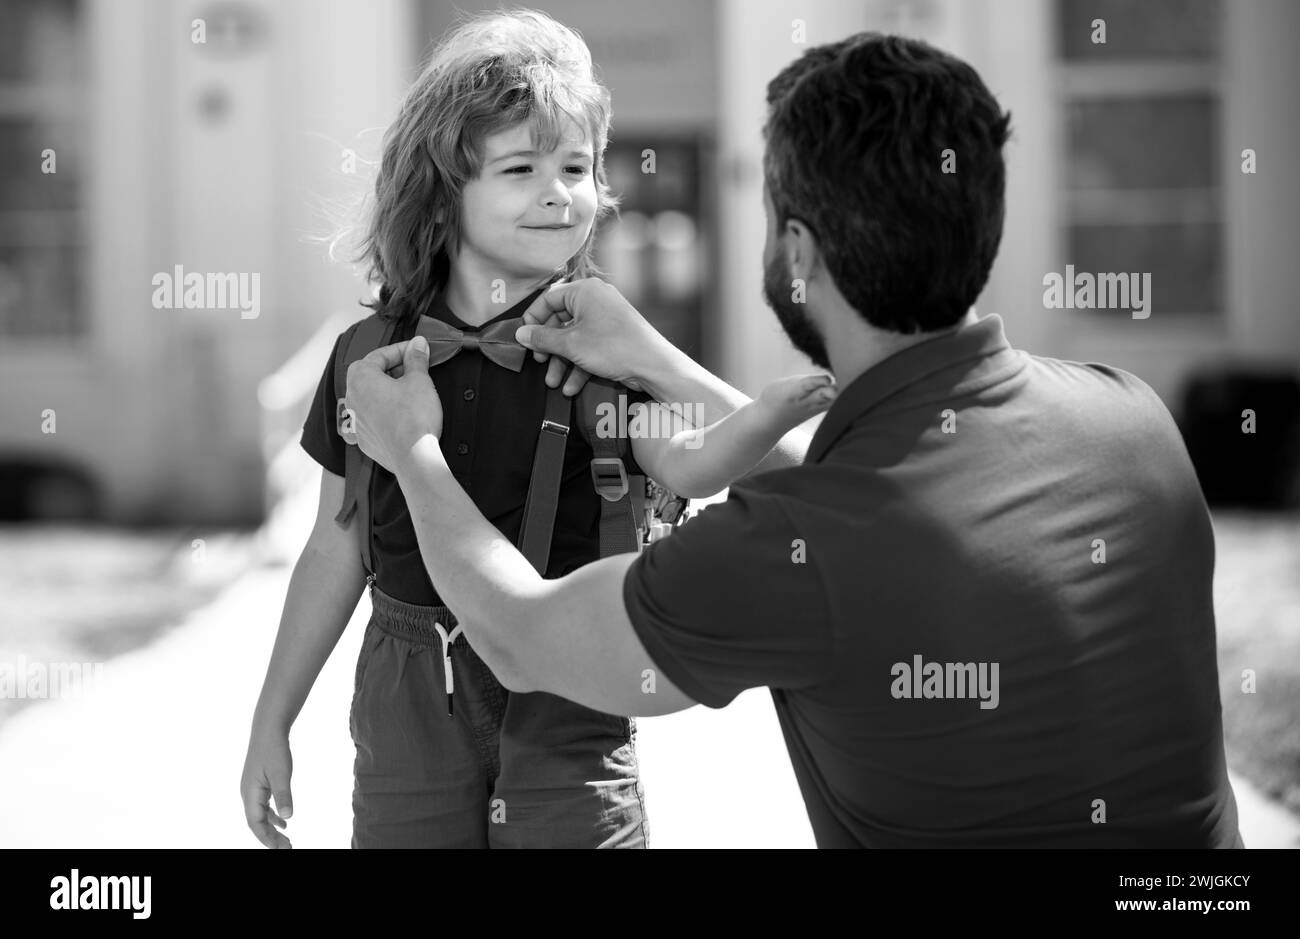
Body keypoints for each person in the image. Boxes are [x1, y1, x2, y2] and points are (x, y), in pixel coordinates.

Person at [345, 32, 1244, 848]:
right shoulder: (1135, 423)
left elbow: (520, 637)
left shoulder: (788, 546)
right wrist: (654, 357)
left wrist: (414, 450)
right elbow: (895, 486)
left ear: (798, 254)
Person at [239, 9, 831, 850]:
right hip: (409, 687)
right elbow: (333, 549)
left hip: (571, 685)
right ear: (442, 196)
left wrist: (764, 409)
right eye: (520, 168)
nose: (560, 191)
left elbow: (695, 463)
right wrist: (274, 716)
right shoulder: (369, 358)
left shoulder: (602, 344)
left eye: (578, 166)